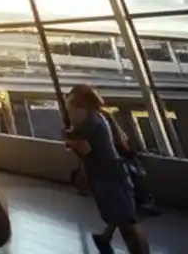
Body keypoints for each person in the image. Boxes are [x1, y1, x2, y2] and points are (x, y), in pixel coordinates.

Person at [64, 85, 151, 254]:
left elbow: (85, 151)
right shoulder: (97, 119)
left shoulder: (90, 124)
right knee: (119, 215)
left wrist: (70, 142)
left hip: (109, 179)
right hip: (111, 176)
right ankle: (105, 239)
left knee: (127, 223)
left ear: (80, 106)